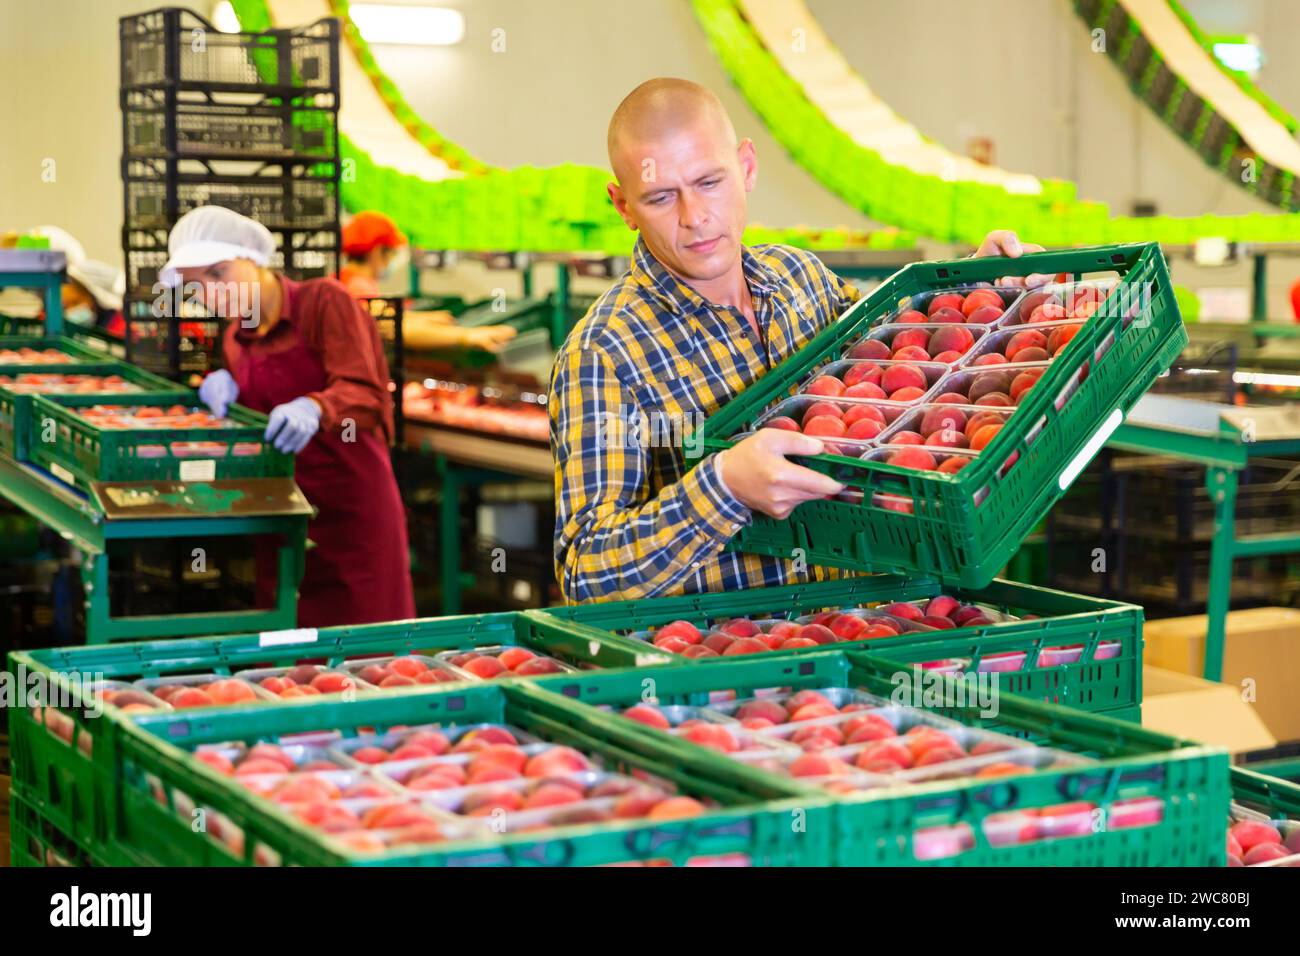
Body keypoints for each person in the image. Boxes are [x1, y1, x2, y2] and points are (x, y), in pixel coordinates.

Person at [550, 78, 1046, 604]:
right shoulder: (603, 354)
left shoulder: (801, 279)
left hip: (871, 625)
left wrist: (975, 288)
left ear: (746, 167)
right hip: (732, 666)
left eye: (709, 182)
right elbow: (587, 574)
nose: (693, 217)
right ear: (623, 205)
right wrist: (721, 487)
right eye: (660, 197)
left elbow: (898, 359)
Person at [160, 205, 414, 628]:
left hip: (352, 514)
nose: (209, 292)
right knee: (289, 653)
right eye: (194, 285)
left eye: (218, 274)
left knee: (369, 650)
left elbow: (369, 395)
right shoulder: (234, 338)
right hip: (284, 514)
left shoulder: (323, 303)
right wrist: (229, 387)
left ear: (253, 259)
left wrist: (316, 407)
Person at [340, 209, 517, 353]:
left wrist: (426, 319)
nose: (392, 261)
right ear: (378, 251)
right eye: (392, 253)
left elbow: (387, 317)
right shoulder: (357, 286)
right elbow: (391, 327)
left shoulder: (349, 280)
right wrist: (466, 336)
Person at [32, 226, 126, 335]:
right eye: (64, 307)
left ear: (94, 295)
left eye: (75, 303)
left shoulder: (118, 325)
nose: (71, 312)